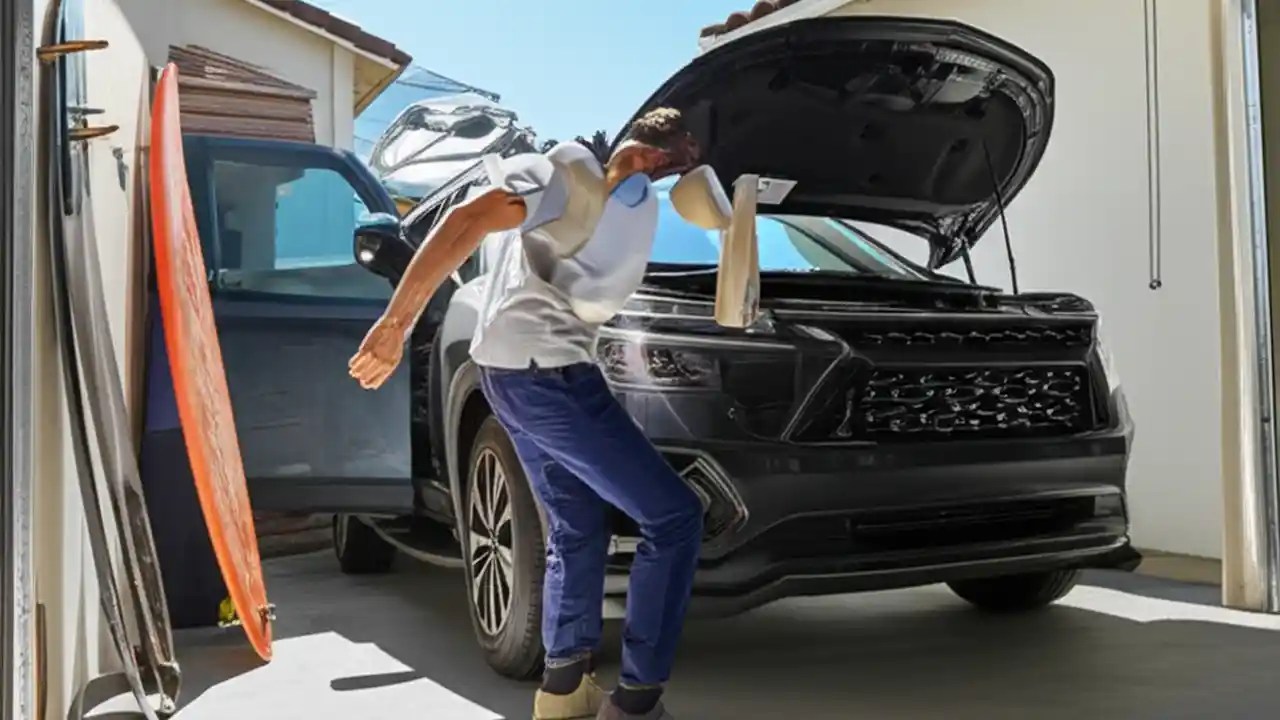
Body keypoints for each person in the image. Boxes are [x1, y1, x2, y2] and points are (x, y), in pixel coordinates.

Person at [348, 108, 705, 720]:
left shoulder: (632, 206)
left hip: (528, 374)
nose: (657, 171)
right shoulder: (556, 172)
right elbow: (468, 220)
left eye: (670, 166)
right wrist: (396, 322)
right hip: (545, 379)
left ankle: (563, 694)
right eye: (660, 157)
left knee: (576, 524)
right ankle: (638, 702)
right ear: (640, 149)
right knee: (673, 517)